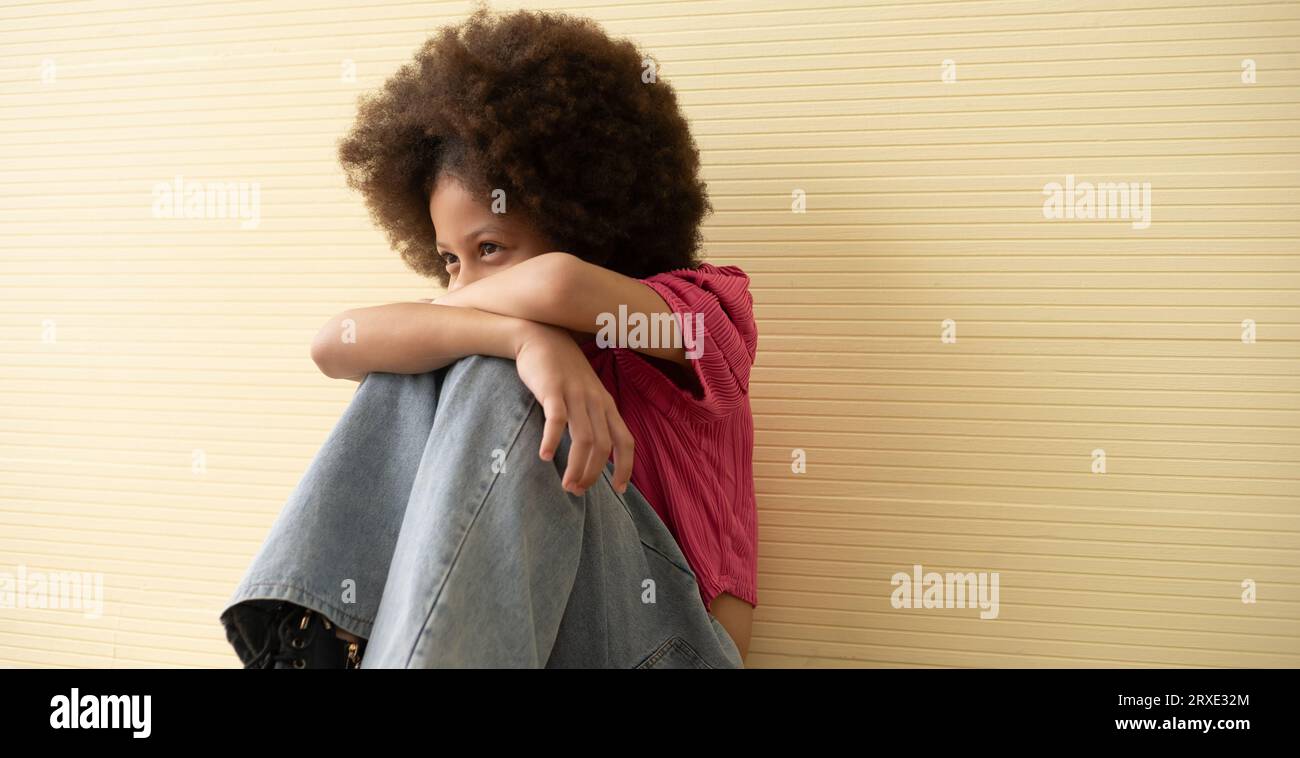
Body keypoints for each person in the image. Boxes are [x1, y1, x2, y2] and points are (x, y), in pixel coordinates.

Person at [219, 6, 758, 668]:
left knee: (478, 363)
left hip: (674, 644)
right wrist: (521, 340)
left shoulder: (707, 312)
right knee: (443, 351)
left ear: (580, 218)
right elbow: (332, 343)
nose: (463, 279)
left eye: (490, 247)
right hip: (524, 631)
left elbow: (558, 285)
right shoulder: (501, 331)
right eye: (450, 259)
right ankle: (310, 641)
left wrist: (518, 340)